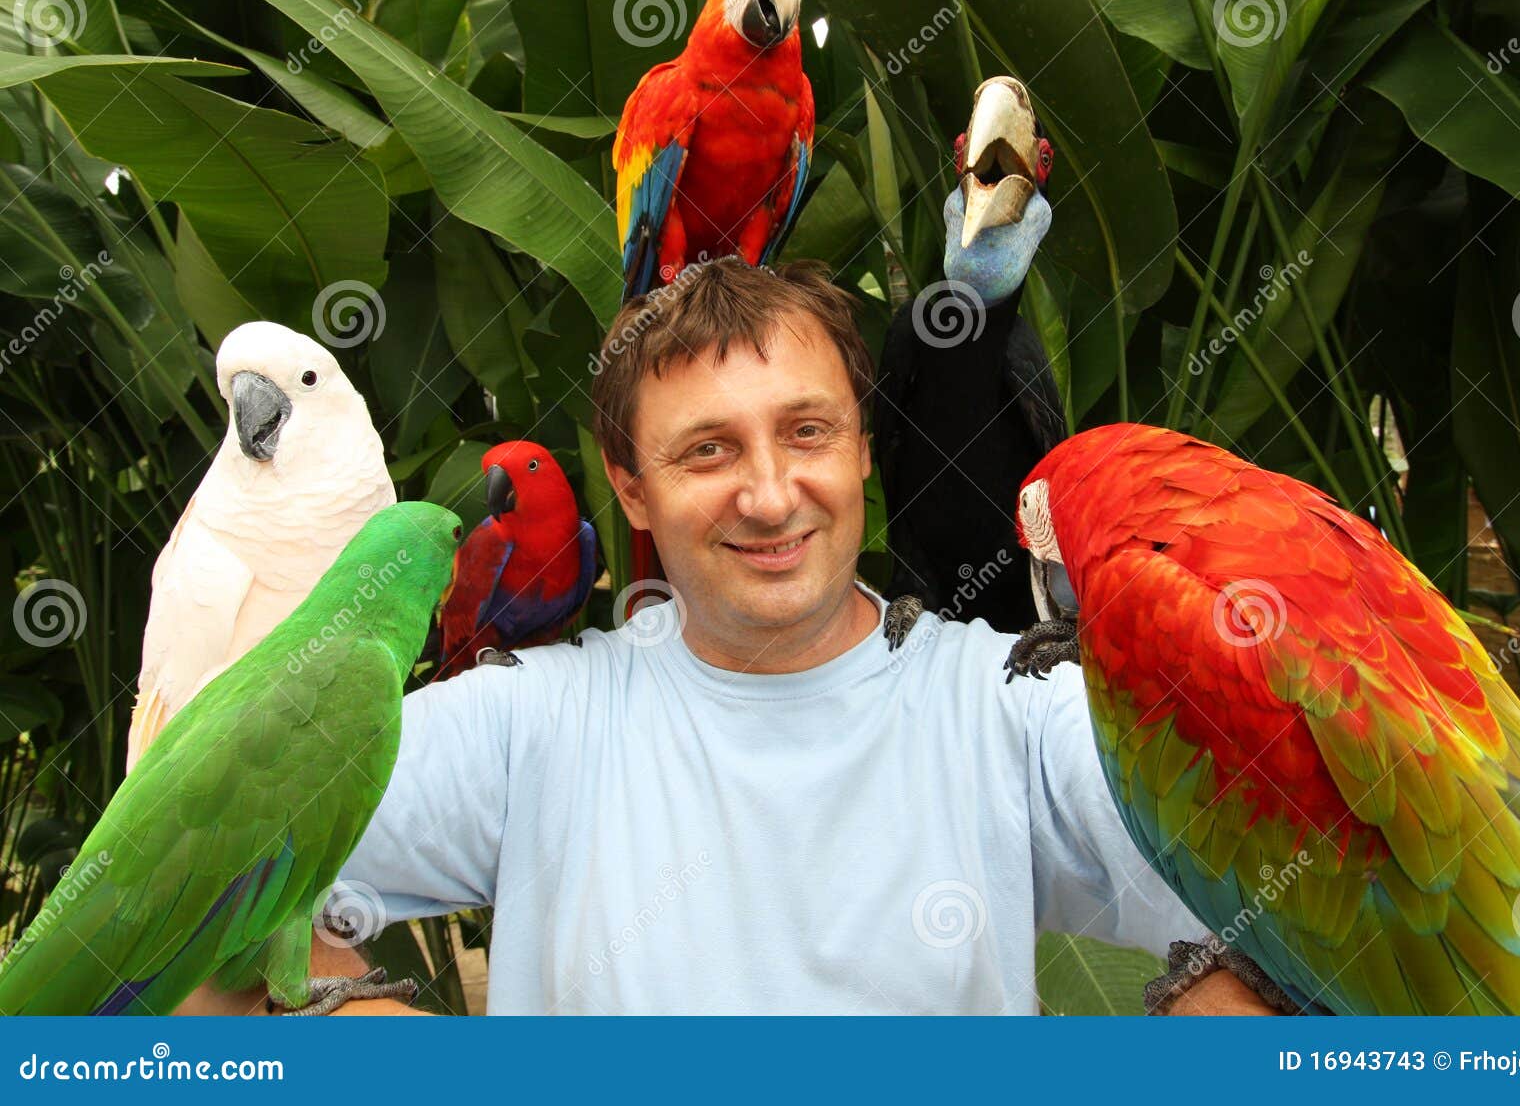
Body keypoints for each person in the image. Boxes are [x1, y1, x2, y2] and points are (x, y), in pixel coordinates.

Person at [188, 258, 1271, 1016]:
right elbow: (179, 912)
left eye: (808, 432)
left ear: (862, 451)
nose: (769, 493)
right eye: (707, 450)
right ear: (631, 488)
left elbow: (1311, 916)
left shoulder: (1014, 713)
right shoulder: (524, 722)